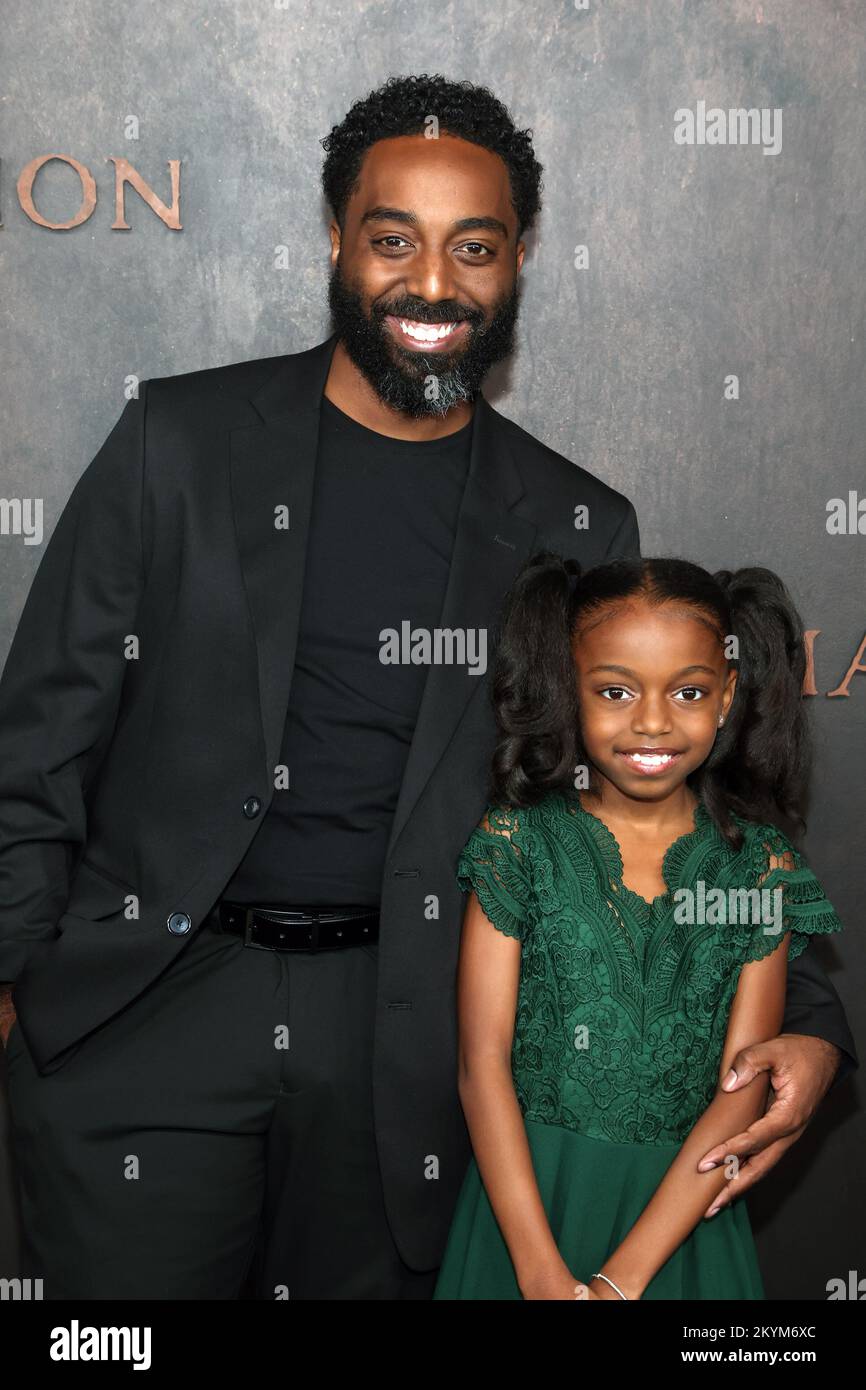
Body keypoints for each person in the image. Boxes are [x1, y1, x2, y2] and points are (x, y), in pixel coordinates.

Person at [0, 74, 856, 1300]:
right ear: (337, 240)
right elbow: (37, 738)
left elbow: (651, 795)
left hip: (413, 1042)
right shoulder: (177, 443)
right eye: (393, 240)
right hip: (148, 1016)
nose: (433, 285)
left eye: (474, 247)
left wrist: (808, 1019)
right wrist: (17, 978)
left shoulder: (572, 519)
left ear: (518, 262)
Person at [433, 552, 848, 1300]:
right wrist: (539, 1273)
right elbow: (481, 1063)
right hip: (526, 1211)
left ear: (726, 697)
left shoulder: (762, 869)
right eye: (616, 691)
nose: (652, 721)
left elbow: (741, 1087)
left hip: (682, 1222)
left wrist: (619, 1285)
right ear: (570, 689)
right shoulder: (517, 844)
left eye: (688, 692)